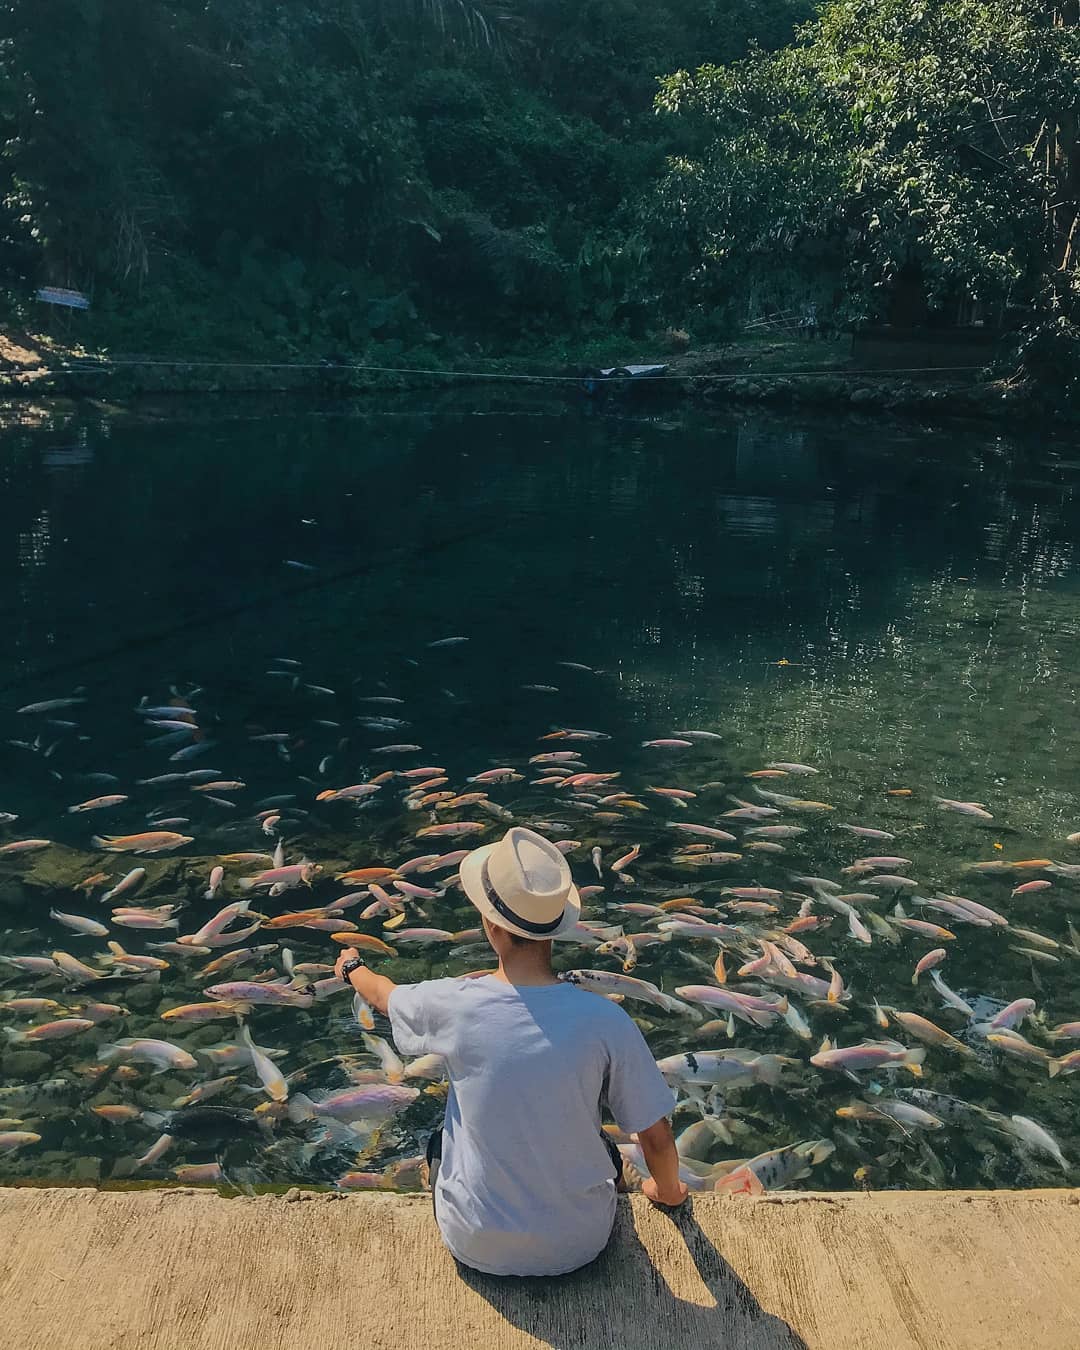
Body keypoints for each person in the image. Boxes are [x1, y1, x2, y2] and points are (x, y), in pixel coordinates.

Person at [333, 825, 688, 1277]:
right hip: (581, 1243)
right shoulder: (605, 1020)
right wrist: (670, 1193)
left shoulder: (453, 1003)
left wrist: (352, 967)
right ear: (555, 929)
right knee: (603, 1144)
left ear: (491, 926)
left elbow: (383, 995)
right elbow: (655, 1136)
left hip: (473, 1241)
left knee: (441, 1140)